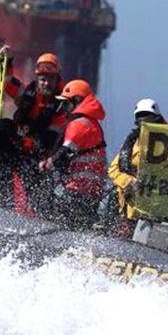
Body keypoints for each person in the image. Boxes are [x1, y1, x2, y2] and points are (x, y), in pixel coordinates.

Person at [38, 79, 107, 229]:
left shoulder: (79, 124)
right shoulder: (92, 122)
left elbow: (64, 152)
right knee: (79, 227)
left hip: (78, 189)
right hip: (91, 191)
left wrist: (46, 164)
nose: (63, 108)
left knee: (51, 219)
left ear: (77, 101)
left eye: (66, 103)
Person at [106, 98, 166, 236]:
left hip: (154, 212)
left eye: (148, 118)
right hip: (128, 210)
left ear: (157, 119)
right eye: (140, 118)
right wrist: (129, 181)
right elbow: (114, 169)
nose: (144, 122)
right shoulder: (132, 143)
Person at [1, 46, 68, 157]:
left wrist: (29, 143)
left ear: (57, 79)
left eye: (51, 79)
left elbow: (51, 138)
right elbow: (8, 83)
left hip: (43, 153)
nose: (46, 83)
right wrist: (7, 60)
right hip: (20, 143)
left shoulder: (63, 104)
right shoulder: (29, 92)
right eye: (43, 79)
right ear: (37, 79)